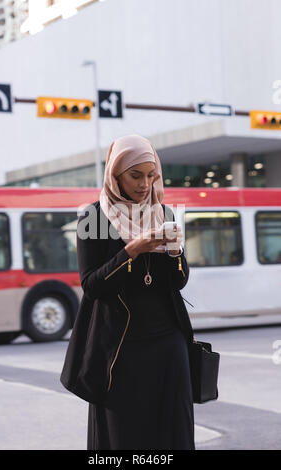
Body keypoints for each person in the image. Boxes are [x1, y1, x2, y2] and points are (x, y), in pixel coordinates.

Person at [60, 134, 195, 450]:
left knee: (174, 428)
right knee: (126, 435)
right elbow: (92, 286)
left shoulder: (164, 213)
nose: (145, 184)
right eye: (136, 175)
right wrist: (131, 250)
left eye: (152, 175)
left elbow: (178, 283)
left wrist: (175, 254)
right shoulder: (93, 217)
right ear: (115, 173)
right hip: (120, 349)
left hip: (168, 342)